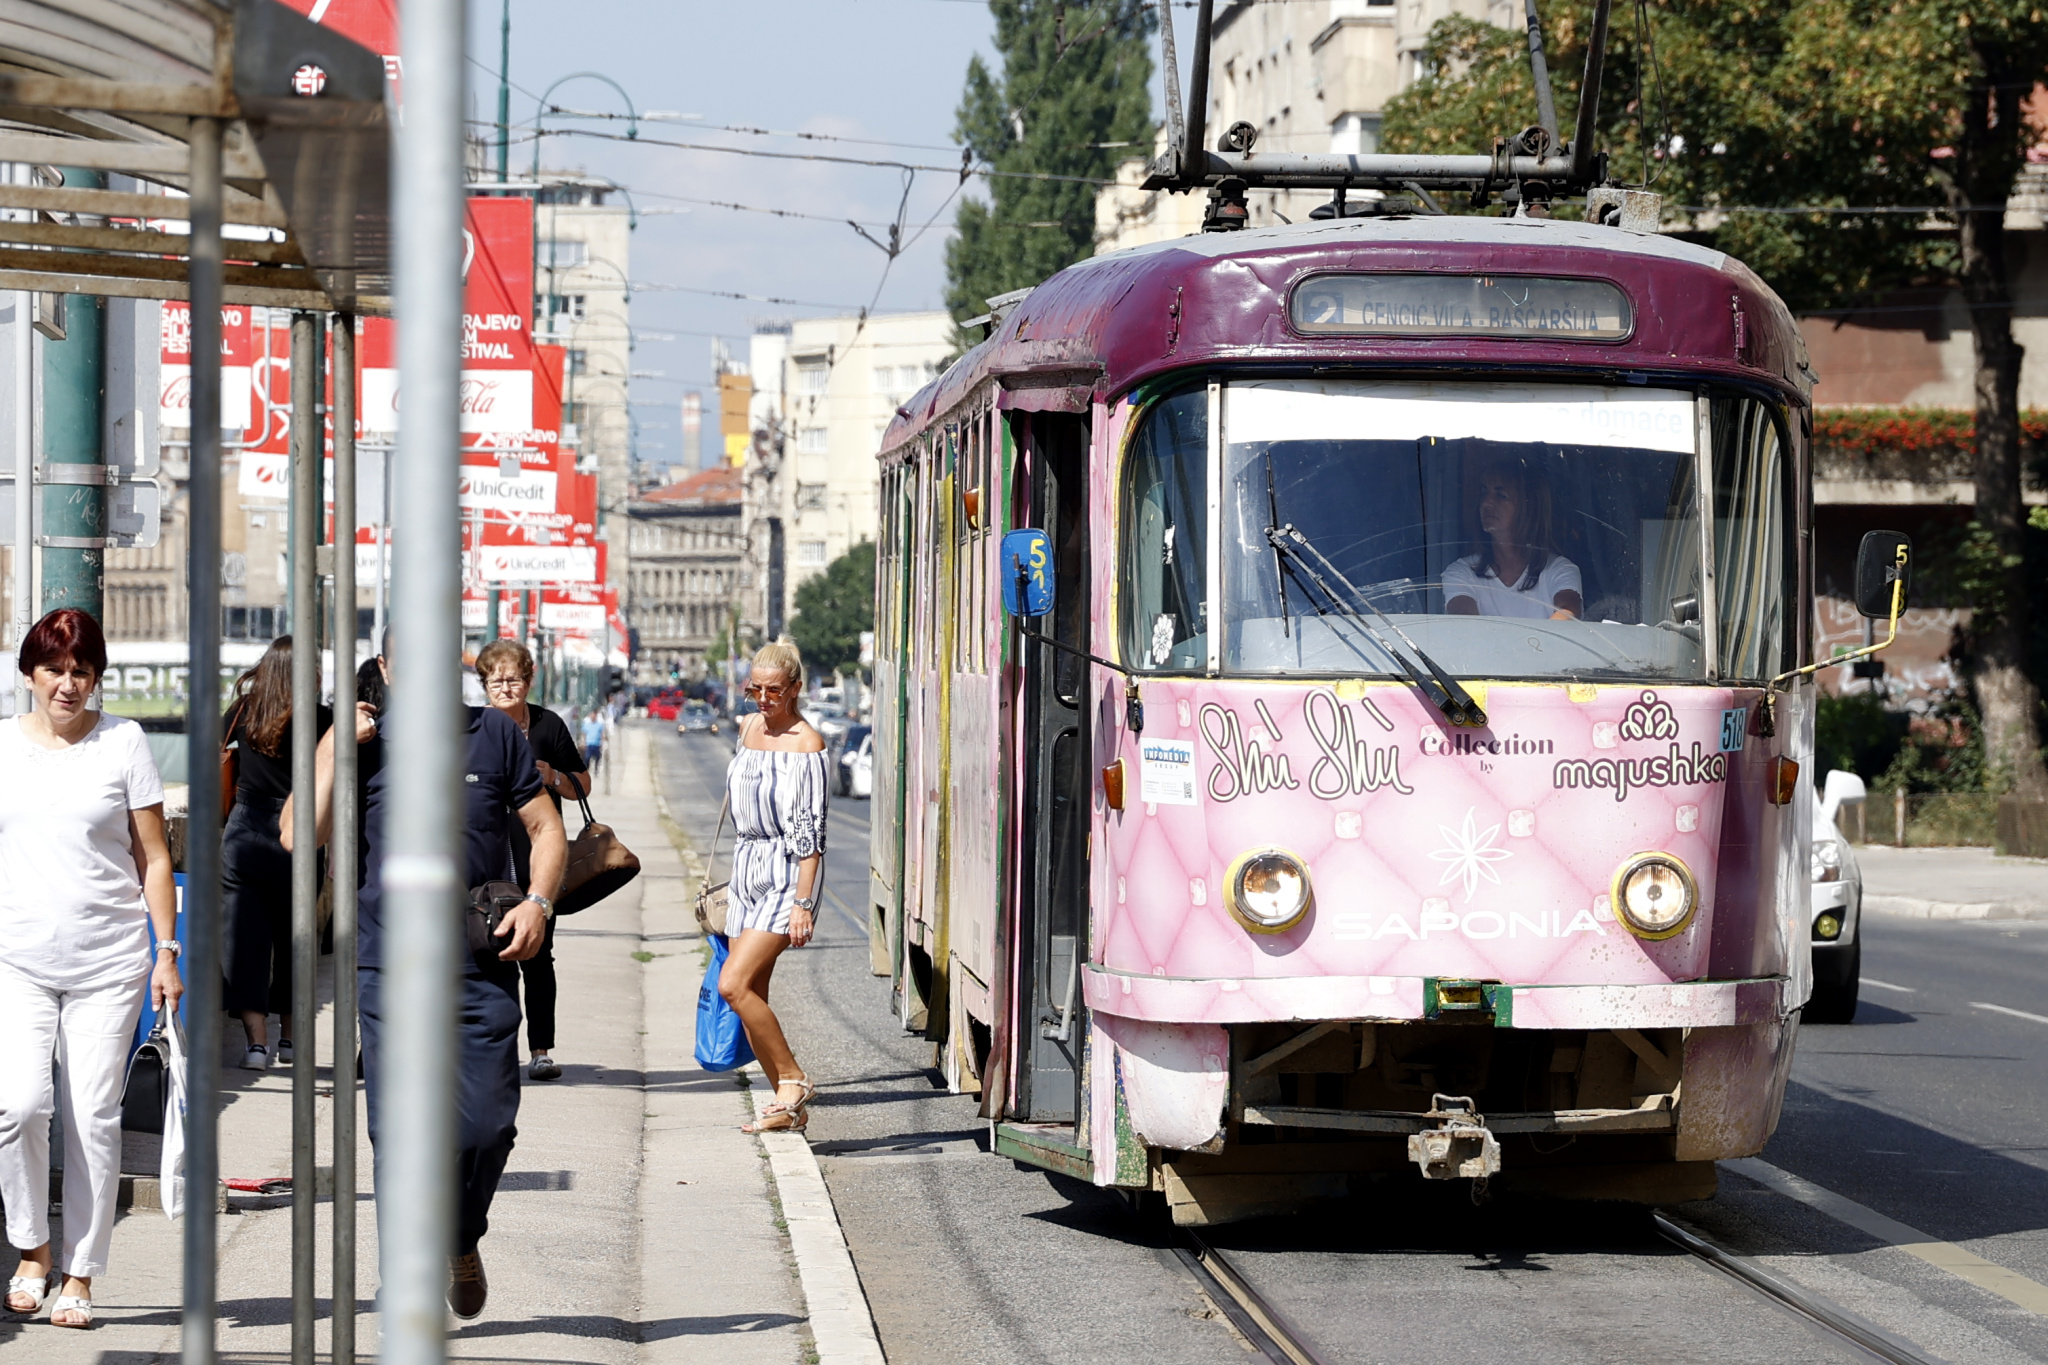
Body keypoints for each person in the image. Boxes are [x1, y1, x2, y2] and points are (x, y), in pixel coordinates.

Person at [287, 637, 566, 1320]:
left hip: (482, 963)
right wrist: (332, 746)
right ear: (387, 669)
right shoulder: (363, 743)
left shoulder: (495, 734)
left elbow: (546, 827)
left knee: (487, 1128)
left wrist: (539, 901)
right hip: (389, 965)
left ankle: (459, 1237)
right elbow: (300, 833)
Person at [0, 609, 180, 1329]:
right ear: (30, 675)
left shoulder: (124, 741)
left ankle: (79, 1272)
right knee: (17, 1107)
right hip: (18, 958)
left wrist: (166, 951)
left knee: (93, 1119)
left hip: (109, 960)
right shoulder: (5, 747)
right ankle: (33, 1248)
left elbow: (156, 854)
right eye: (55, 670)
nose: (69, 684)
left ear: (96, 675)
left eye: (82, 671)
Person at [718, 639, 829, 1135]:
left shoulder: (808, 744)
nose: (763, 700)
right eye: (754, 690)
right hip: (746, 867)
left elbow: (810, 833)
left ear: (795, 689)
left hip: (787, 871)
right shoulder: (747, 729)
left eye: (773, 691)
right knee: (752, 992)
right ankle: (786, 1109)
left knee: (732, 985)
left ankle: (792, 1078)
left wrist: (804, 903)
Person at [474, 640, 589, 1082]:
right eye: (495, 680)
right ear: (483, 684)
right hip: (488, 859)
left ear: (529, 679)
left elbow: (582, 785)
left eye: (514, 679)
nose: (505, 687)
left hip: (539, 856)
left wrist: (551, 776)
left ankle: (540, 1049)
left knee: (538, 955)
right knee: (487, 952)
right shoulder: (476, 726)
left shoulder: (547, 725)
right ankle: (492, 1047)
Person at [221, 636, 331, 1070]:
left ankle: (255, 1045)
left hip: (245, 829)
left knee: (245, 941)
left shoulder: (243, 712)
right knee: (297, 940)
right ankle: (290, 1039)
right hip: (300, 829)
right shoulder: (324, 720)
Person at [1442, 457, 1583, 621]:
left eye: (1500, 495)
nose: (1487, 502)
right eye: (1484, 492)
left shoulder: (1559, 570)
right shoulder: (1462, 571)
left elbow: (1567, 615)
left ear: (1528, 508)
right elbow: (1466, 626)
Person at [580, 709, 605, 774]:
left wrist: (602, 742)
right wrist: (583, 742)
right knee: (587, 757)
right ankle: (587, 770)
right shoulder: (586, 724)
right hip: (589, 743)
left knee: (597, 757)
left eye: (594, 715)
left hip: (597, 744)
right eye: (592, 715)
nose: (593, 716)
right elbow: (584, 734)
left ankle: (596, 769)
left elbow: (602, 733)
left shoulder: (599, 725)